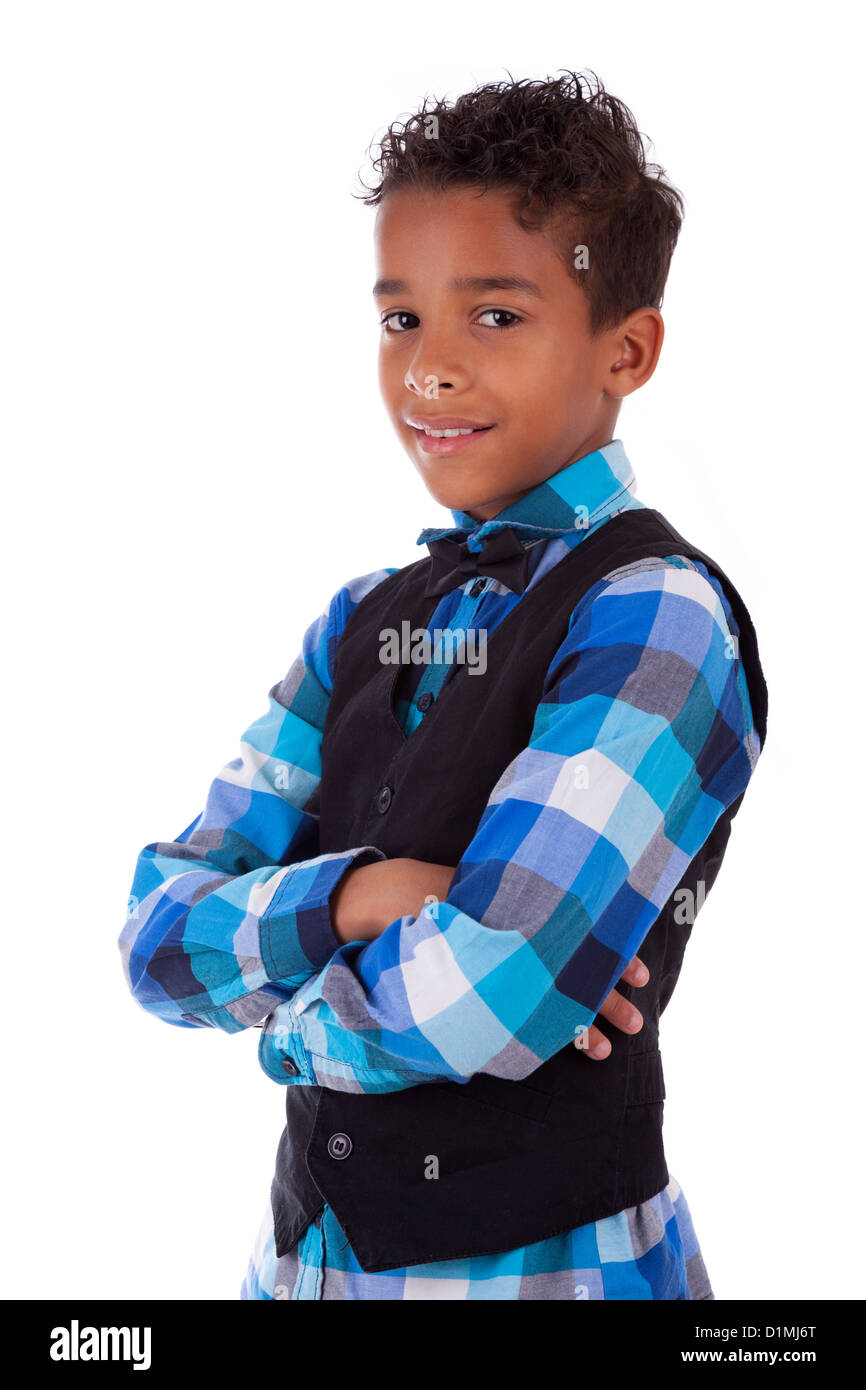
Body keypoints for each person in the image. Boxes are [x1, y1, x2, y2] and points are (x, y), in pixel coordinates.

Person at [119, 69, 767, 1300]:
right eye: (401, 319)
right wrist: (362, 896)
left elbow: (496, 991)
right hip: (304, 1268)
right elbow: (156, 936)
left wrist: (280, 1020)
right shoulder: (360, 618)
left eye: (496, 317)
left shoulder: (651, 614)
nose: (429, 370)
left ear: (624, 348)